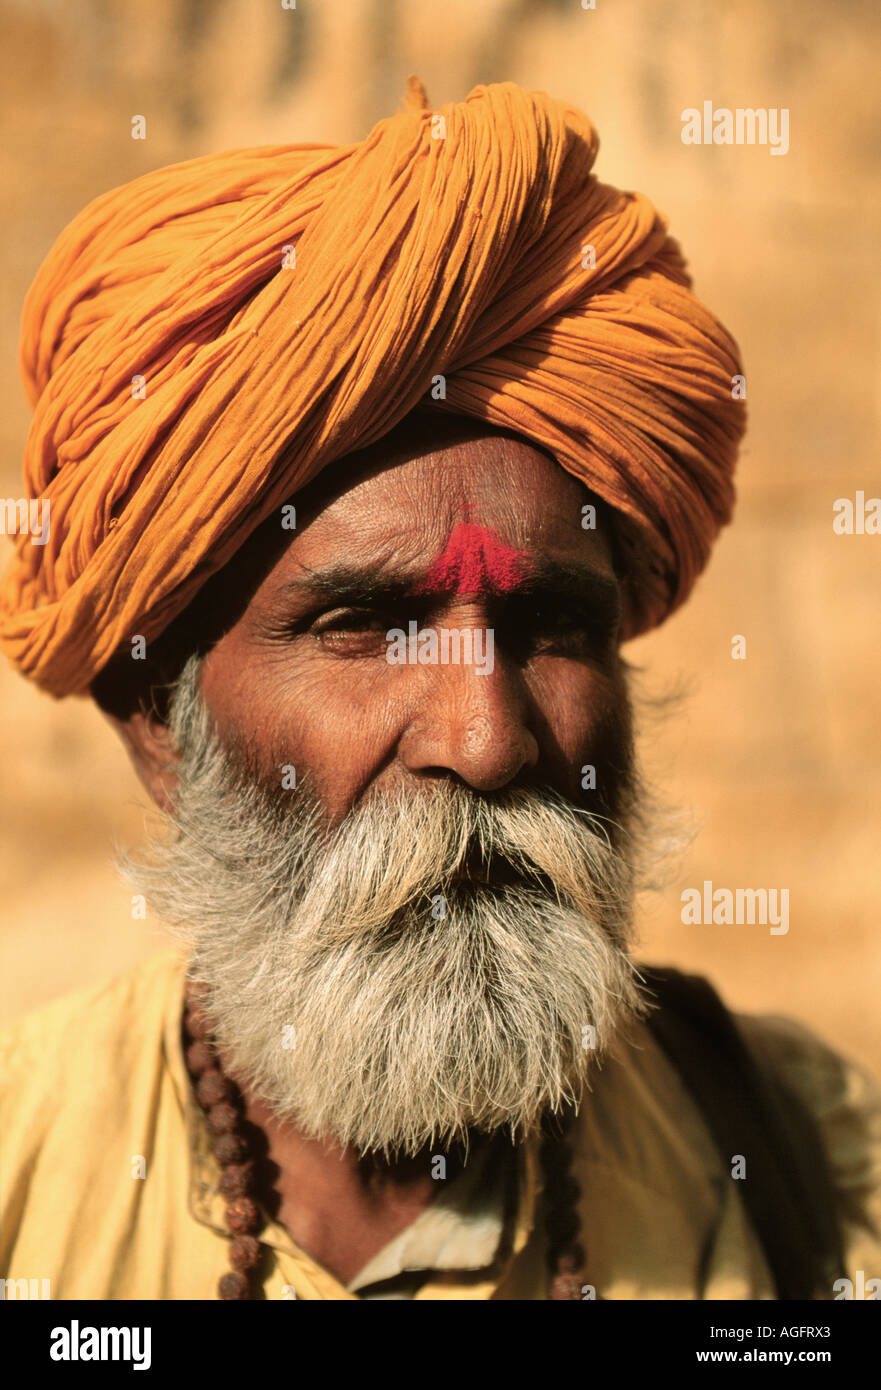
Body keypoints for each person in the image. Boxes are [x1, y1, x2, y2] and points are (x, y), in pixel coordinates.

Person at [1, 79, 878, 1302]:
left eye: (552, 624)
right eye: (364, 625)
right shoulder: (23, 1182)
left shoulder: (812, 1166)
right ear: (158, 723)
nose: (484, 736)